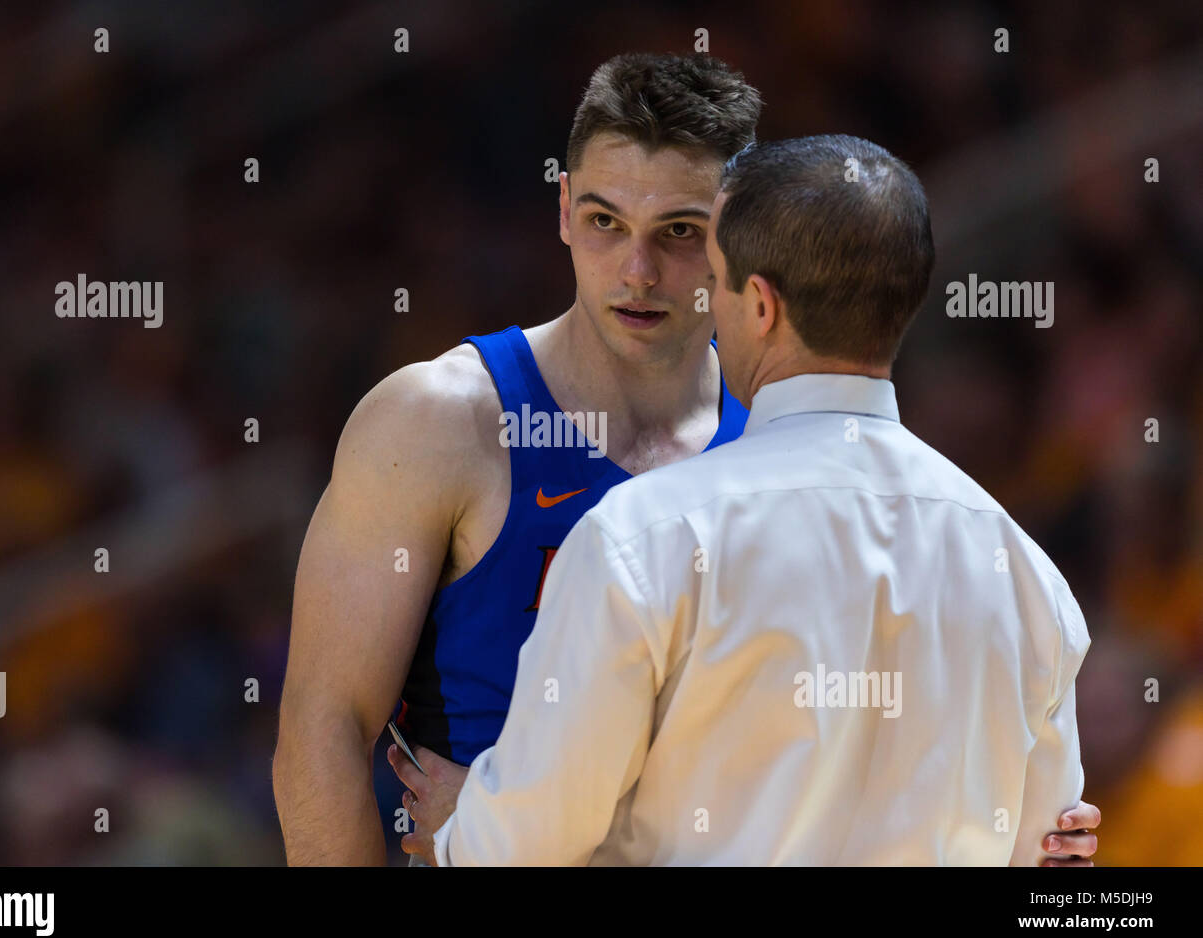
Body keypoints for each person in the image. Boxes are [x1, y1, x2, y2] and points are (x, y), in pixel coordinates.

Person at [274, 52, 1099, 865]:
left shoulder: (799, 449)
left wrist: (474, 830)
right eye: (604, 222)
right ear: (562, 210)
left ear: (736, 240)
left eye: (679, 233)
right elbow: (322, 734)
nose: (637, 272)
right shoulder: (436, 421)